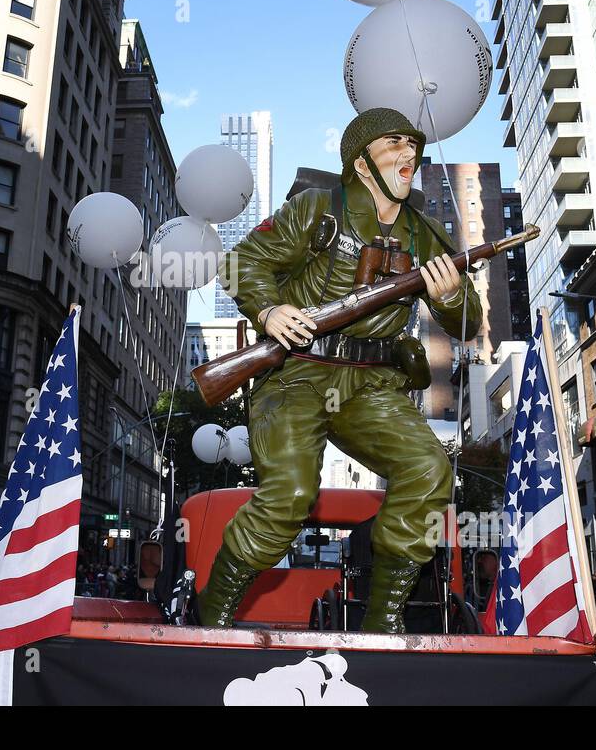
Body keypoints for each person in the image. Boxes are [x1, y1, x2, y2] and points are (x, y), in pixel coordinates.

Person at [199, 108, 482, 632]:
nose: (410, 152)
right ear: (360, 161)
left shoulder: (424, 233)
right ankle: (210, 617)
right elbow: (241, 263)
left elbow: (470, 321)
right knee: (288, 494)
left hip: (371, 383)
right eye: (393, 142)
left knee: (429, 470)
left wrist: (449, 298)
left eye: (413, 144)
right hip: (297, 372)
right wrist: (268, 309)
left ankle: (382, 624)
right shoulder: (318, 209)